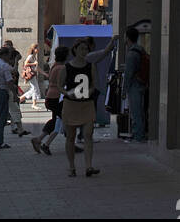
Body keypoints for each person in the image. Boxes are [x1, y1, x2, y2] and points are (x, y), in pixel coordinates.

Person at [61, 33, 117, 177]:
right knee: (70, 137)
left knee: (88, 135)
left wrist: (87, 91)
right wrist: (68, 93)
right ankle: (71, 167)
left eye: (86, 49)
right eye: (81, 49)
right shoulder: (66, 67)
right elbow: (59, 86)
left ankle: (88, 166)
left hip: (86, 104)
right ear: (75, 50)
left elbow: (94, 84)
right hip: (71, 105)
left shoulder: (90, 65)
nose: (84, 52)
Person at [32, 45, 68, 155]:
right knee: (62, 120)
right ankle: (46, 143)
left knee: (55, 120)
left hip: (50, 96)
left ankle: (39, 140)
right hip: (57, 97)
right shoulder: (62, 68)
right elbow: (62, 83)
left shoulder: (54, 66)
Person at [122, 26, 149, 143]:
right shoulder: (141, 49)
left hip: (135, 85)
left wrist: (124, 90)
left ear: (127, 37)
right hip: (142, 84)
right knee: (141, 111)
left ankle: (138, 135)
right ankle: (140, 133)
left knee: (136, 111)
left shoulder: (131, 54)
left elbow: (128, 74)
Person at [0, 43, 26, 136]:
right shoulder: (5, 64)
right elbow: (13, 72)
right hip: (8, 88)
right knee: (14, 109)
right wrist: (15, 61)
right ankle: (19, 128)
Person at [22, 43, 42, 108]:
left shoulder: (34, 56)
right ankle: (33, 104)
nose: (39, 49)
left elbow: (37, 67)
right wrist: (34, 63)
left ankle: (21, 99)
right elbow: (25, 63)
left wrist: (44, 73)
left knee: (33, 89)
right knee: (35, 88)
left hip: (33, 75)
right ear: (34, 49)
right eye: (37, 48)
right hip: (31, 75)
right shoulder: (30, 56)